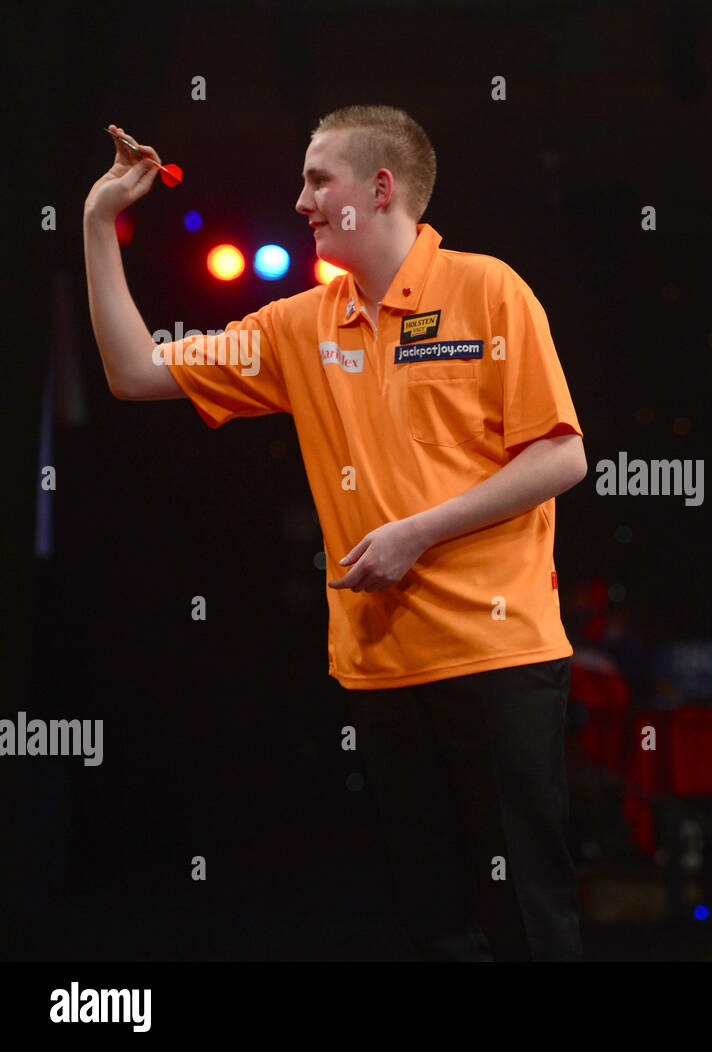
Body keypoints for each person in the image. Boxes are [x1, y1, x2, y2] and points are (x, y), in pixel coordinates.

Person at [82, 106, 587, 960]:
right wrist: (100, 223)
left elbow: (561, 458)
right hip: (381, 665)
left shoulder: (488, 289)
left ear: (380, 190)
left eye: (319, 180)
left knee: (527, 918)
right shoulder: (300, 326)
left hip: (499, 657)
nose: (302, 200)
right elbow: (134, 373)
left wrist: (414, 535)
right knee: (439, 930)